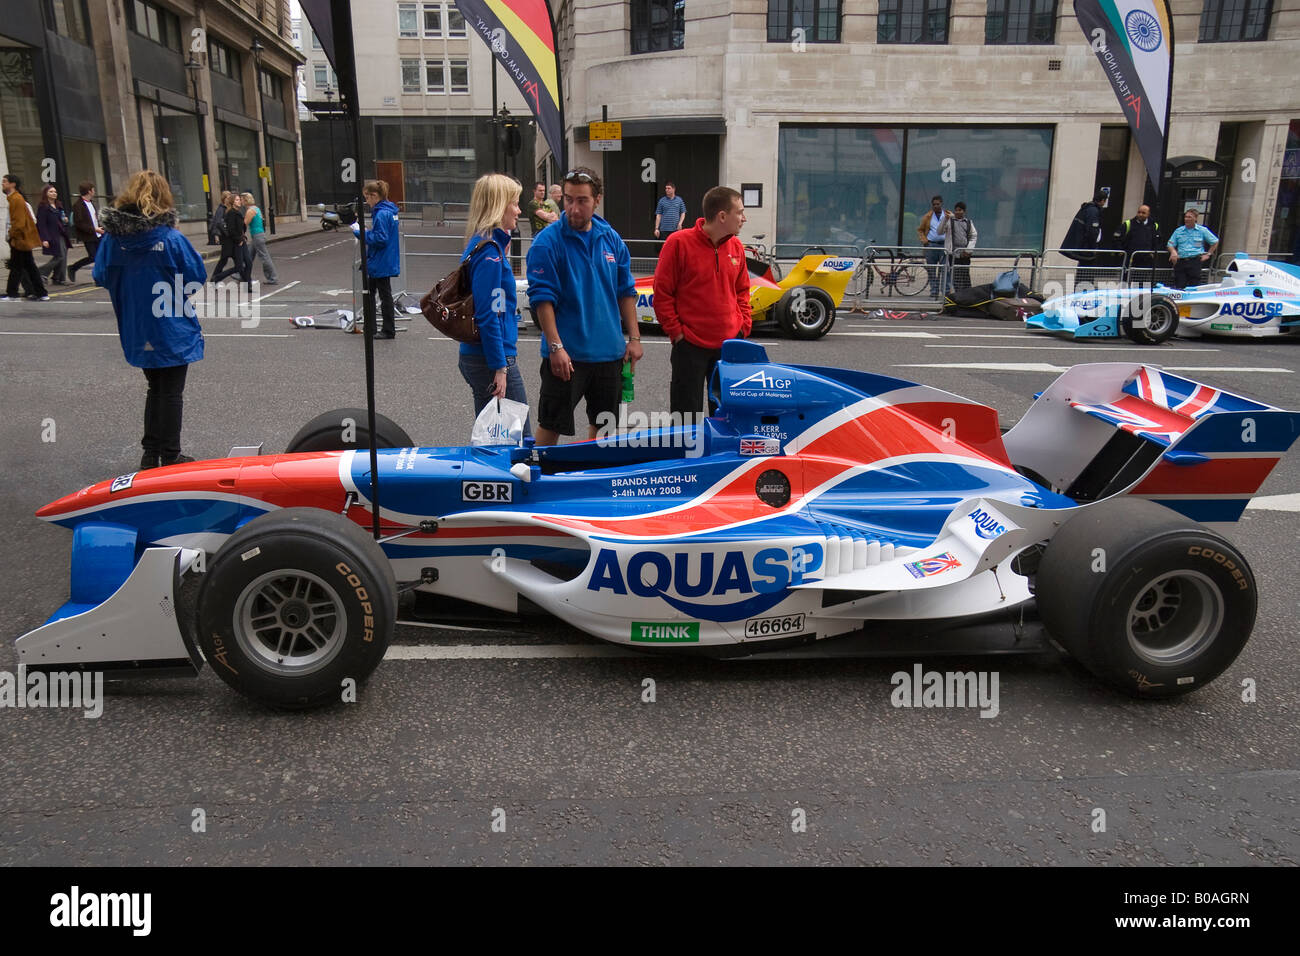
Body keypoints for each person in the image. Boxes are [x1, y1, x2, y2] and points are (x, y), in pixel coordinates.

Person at [93, 169, 207, 469]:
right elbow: (195, 277)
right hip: (170, 326)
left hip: (136, 325)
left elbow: (101, 275)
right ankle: (170, 455)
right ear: (163, 197)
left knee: (155, 388)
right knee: (170, 391)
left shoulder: (112, 241)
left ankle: (150, 453)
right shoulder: (171, 238)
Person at [525, 166, 642, 446]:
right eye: (568, 200)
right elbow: (542, 299)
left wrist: (634, 339)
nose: (573, 208)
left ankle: (594, 481)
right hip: (566, 357)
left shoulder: (610, 238)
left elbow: (626, 292)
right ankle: (540, 483)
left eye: (582, 200)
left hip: (609, 355)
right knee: (550, 427)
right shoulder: (547, 242)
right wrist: (555, 347)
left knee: (603, 431)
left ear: (597, 199)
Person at [653, 185, 752, 415]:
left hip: (729, 346)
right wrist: (677, 333)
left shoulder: (736, 246)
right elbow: (662, 294)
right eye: (740, 212)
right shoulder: (678, 243)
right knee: (686, 420)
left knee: (728, 417)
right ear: (722, 216)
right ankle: (686, 452)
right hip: (689, 346)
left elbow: (742, 290)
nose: (744, 218)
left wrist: (743, 326)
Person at [457, 173, 531, 435]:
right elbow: (488, 314)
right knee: (521, 441)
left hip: (480, 355)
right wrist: (500, 366)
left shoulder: (483, 244)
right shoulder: (490, 251)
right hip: (492, 357)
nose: (519, 210)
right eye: (514, 202)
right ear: (499, 205)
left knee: (493, 439)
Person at [357, 179, 400, 339]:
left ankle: (382, 329)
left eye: (367, 197)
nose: (366, 201)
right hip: (385, 259)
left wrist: (361, 233)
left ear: (374, 195)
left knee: (375, 294)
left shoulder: (381, 213)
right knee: (381, 294)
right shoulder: (389, 211)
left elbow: (380, 238)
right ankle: (376, 328)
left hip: (379, 260)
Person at [2, 173, 48, 301]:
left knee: (16, 267)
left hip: (19, 239)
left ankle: (12, 294)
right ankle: (41, 293)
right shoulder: (14, 199)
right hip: (22, 239)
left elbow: (19, 223)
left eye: (5, 181)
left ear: (13, 184)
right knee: (29, 266)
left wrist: (12, 235)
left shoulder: (16, 199)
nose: (3, 183)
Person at [1166, 209, 1219, 289]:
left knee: (1194, 286)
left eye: (1189, 217)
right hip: (1181, 261)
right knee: (1179, 285)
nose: (1186, 219)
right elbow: (1170, 244)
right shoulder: (1179, 231)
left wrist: (1208, 254)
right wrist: (1173, 252)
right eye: (1186, 217)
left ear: (1195, 218)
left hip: (1195, 261)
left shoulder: (1202, 230)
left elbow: (1215, 241)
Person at [209, 192, 250, 285]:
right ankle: (215, 279)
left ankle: (247, 281)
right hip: (229, 241)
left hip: (233, 241)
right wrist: (217, 235)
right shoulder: (224, 210)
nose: (229, 198)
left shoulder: (233, 211)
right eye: (229, 197)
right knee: (225, 262)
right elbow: (219, 223)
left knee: (240, 264)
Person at [36, 184, 72, 286]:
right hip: (51, 235)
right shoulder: (43, 207)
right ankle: (41, 272)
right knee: (59, 256)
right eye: (51, 192)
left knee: (63, 255)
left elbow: (62, 218)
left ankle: (59, 278)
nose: (54, 193)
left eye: (55, 192)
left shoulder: (58, 205)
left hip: (61, 233)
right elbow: (41, 224)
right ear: (46, 194)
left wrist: (65, 220)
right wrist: (44, 239)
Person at [68, 181, 104, 282]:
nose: (94, 191)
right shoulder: (78, 205)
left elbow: (94, 219)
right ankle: (73, 267)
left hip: (97, 234)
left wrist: (100, 227)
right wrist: (94, 229)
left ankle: (99, 277)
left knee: (100, 256)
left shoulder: (91, 203)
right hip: (88, 235)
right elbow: (79, 223)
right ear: (89, 191)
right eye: (93, 189)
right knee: (93, 257)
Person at [241, 191, 278, 284]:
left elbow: (244, 224)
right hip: (258, 235)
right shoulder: (256, 208)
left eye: (241, 199)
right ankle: (241, 274)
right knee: (249, 256)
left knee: (264, 257)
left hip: (257, 236)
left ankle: (273, 278)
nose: (240, 201)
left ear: (245, 200)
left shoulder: (250, 211)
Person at [1116, 203, 1161, 280]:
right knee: (1126, 282)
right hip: (1130, 259)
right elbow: (1117, 238)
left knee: (1143, 283)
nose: (1140, 214)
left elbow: (1158, 241)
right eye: (1139, 212)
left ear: (1148, 214)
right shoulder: (1128, 224)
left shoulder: (1154, 225)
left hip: (1146, 260)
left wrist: (1153, 253)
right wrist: (1121, 252)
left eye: (1143, 213)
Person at [916, 195, 948, 298]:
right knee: (932, 270)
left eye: (937, 204)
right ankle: (934, 291)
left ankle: (945, 291)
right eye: (934, 204)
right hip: (931, 245)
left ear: (941, 204)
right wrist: (924, 240)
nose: (935, 206)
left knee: (945, 269)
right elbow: (920, 230)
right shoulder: (928, 216)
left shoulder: (947, 215)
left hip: (944, 245)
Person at [940, 201, 977, 292]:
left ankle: (968, 294)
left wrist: (968, 250)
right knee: (955, 276)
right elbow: (940, 231)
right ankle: (959, 294)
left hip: (964, 254)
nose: (957, 212)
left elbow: (973, 236)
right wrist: (945, 219)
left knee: (965, 275)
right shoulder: (949, 222)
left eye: (960, 210)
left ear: (964, 211)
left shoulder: (968, 222)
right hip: (953, 254)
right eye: (956, 210)